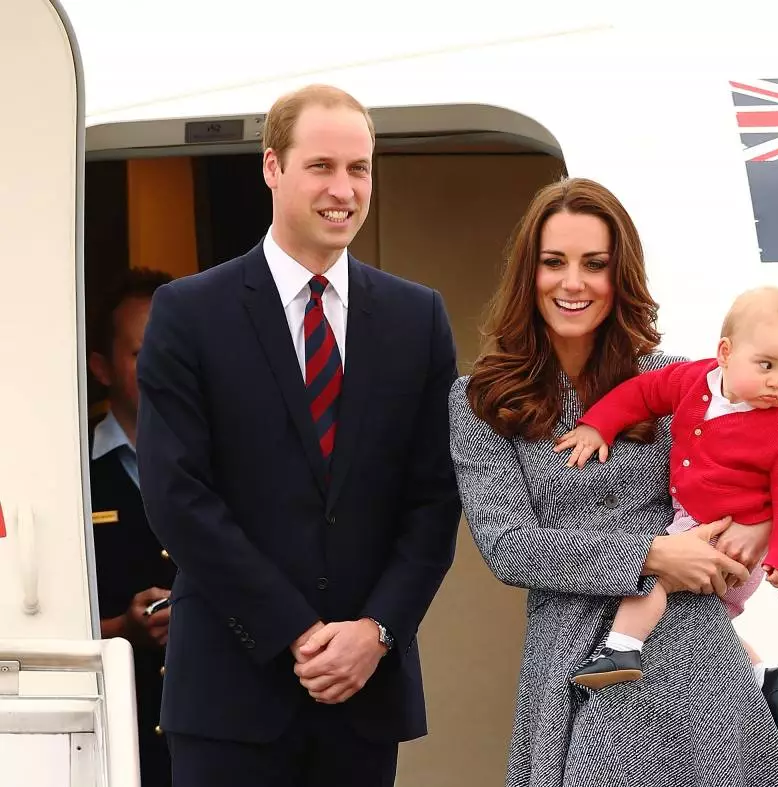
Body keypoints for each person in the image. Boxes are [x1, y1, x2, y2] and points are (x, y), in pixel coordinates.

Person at [136, 84, 462, 787]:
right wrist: (299, 631)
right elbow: (176, 496)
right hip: (228, 696)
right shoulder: (189, 313)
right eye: (321, 166)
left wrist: (375, 633)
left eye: (359, 168)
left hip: (362, 697)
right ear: (271, 167)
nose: (343, 189)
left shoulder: (418, 319)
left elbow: (436, 500)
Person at [448, 177, 778, 787]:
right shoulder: (484, 399)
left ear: (621, 276)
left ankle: (759, 674)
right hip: (576, 657)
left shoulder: (675, 380)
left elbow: (764, 463)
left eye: (595, 265)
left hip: (696, 650)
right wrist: (651, 554)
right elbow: (507, 543)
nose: (573, 283)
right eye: (554, 263)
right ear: (529, 273)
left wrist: (756, 532)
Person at [554, 285, 778, 739]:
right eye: (767, 366)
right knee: (703, 622)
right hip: (698, 523)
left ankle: (622, 648)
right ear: (726, 353)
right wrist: (598, 424)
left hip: (726, 540)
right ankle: (762, 681)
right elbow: (641, 393)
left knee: (652, 573)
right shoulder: (692, 380)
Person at [87, 265, 176, 787]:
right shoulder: (68, 475)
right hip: (108, 734)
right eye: (143, 355)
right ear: (101, 367)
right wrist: (123, 629)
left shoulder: (229, 464)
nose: (163, 370)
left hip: (215, 730)